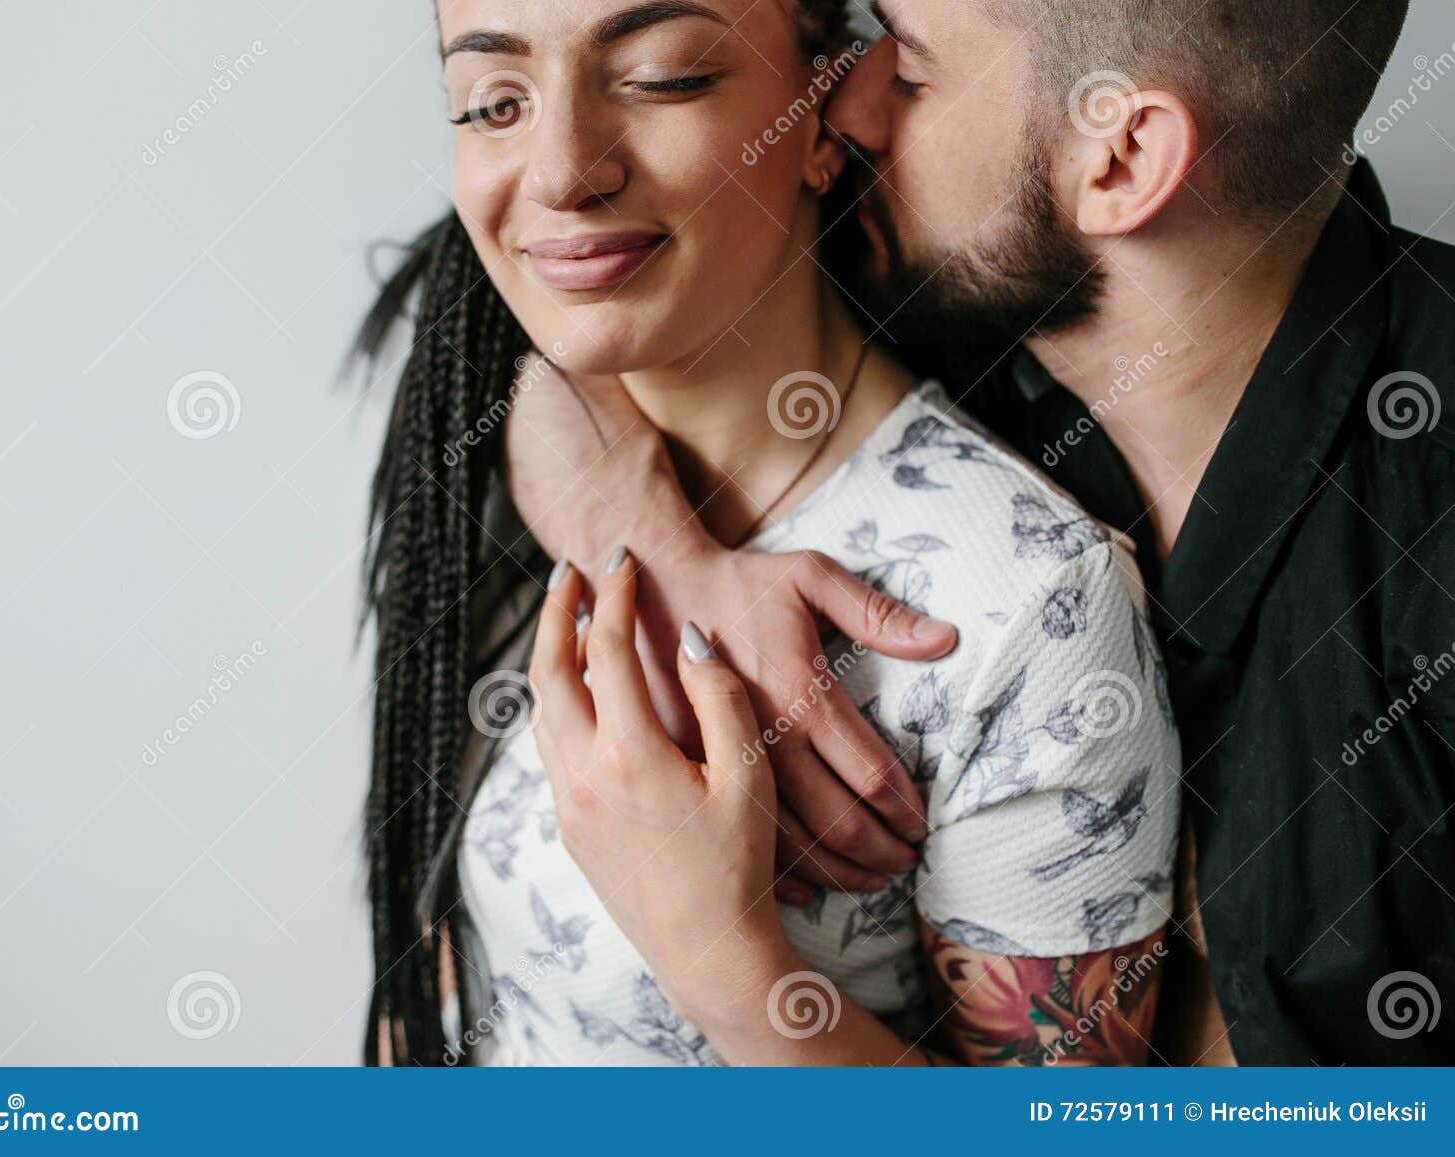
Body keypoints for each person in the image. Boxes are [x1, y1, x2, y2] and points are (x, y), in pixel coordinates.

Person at [508, 0, 1455, 1064]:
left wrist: (722, 966)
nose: (847, 105)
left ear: (1122, 158)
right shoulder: (939, 282)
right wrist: (673, 563)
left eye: (911, 71)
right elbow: (546, 340)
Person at [357, 0, 1180, 1066]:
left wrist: (721, 960)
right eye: (492, 103)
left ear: (823, 115)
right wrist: (671, 564)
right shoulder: (486, 428)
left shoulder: (1024, 602)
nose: (559, 173)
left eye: (661, 78)